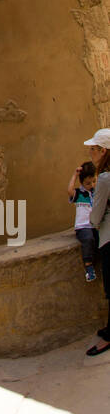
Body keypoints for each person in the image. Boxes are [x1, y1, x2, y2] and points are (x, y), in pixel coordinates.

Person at [82, 129, 110, 356]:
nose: (90, 153)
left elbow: (96, 214)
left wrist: (92, 221)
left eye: (93, 149)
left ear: (103, 151)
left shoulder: (104, 178)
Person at [68, 160, 98, 281]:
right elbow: (69, 190)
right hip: (83, 226)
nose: (91, 185)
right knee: (88, 239)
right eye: (88, 183)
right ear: (82, 182)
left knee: (100, 241)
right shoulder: (79, 193)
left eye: (94, 181)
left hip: (95, 225)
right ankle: (88, 267)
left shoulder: (96, 192)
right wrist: (75, 175)